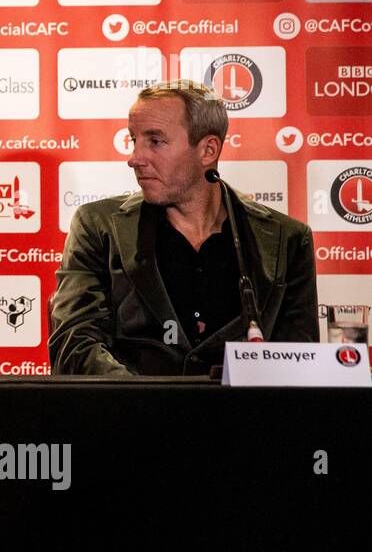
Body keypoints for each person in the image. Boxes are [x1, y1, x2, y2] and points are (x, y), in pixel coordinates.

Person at [49, 80, 318, 376]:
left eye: (155, 141)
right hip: (129, 418)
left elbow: (299, 365)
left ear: (208, 150)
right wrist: (147, 404)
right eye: (133, 140)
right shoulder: (98, 226)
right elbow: (73, 345)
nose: (134, 159)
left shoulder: (286, 238)